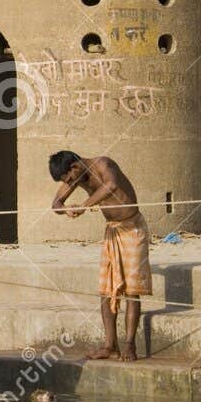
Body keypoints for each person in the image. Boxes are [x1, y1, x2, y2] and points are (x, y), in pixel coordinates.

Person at [49, 150, 150, 361]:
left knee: (132, 290)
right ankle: (109, 346)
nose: (69, 183)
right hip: (111, 231)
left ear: (74, 167)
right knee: (106, 291)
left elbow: (111, 185)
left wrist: (85, 206)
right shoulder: (76, 177)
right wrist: (66, 209)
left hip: (132, 229)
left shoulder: (103, 164)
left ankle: (130, 345)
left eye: (69, 179)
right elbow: (55, 204)